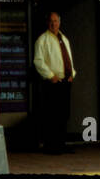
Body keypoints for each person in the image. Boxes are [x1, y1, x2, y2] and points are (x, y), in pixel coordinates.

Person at [32, 11, 76, 154]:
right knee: (52, 115)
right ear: (47, 23)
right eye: (51, 21)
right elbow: (38, 61)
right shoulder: (42, 40)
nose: (53, 24)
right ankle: (51, 146)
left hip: (65, 82)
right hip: (52, 84)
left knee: (64, 114)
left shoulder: (64, 39)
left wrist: (72, 74)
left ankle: (61, 144)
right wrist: (51, 76)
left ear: (59, 22)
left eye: (56, 21)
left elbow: (68, 59)